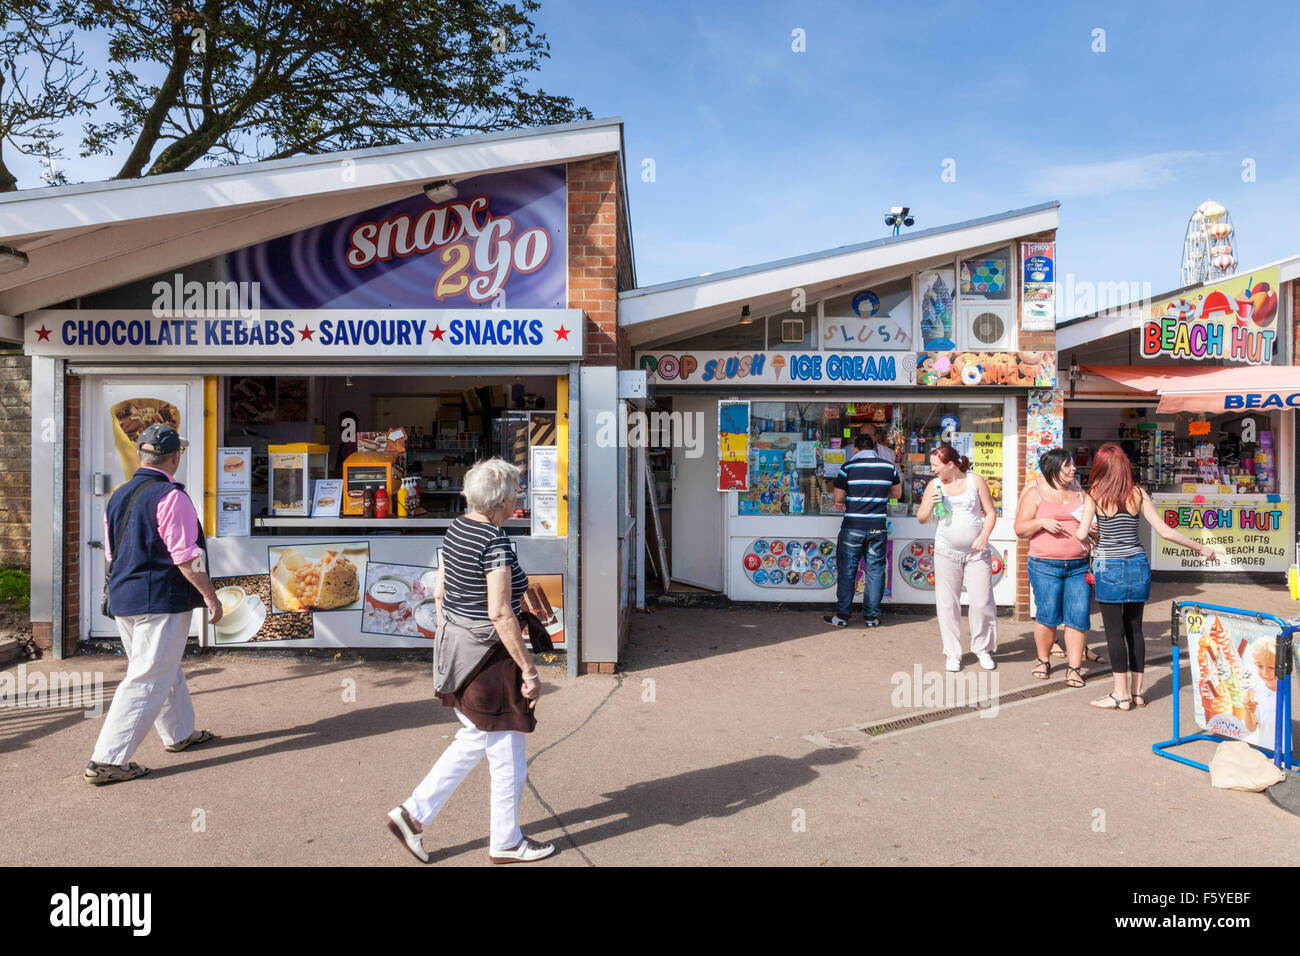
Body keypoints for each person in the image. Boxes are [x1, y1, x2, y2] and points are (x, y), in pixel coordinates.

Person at [387, 458, 555, 864]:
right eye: (516, 490)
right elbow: (500, 612)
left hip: (461, 650)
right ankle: (503, 841)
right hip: (490, 658)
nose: (520, 496)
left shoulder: (458, 528)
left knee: (479, 738)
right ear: (501, 500)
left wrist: (453, 633)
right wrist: (529, 671)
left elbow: (441, 588)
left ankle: (414, 815)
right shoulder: (495, 541)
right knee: (506, 750)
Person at [85, 424, 221, 785]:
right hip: (160, 598)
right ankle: (107, 761)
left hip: (126, 598)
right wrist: (210, 595)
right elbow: (186, 556)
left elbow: (111, 553)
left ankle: (179, 734)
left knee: (162, 667)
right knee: (148, 677)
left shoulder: (118, 495)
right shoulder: (170, 496)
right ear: (175, 457)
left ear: (142, 455)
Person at [1074, 442, 1216, 710]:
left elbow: (1081, 534)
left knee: (1115, 633)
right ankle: (1138, 693)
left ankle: (1120, 695)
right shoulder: (1138, 493)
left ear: (1101, 467)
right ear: (1124, 466)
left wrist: (1094, 533)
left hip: (1109, 567)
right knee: (1134, 630)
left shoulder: (1094, 494)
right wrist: (1201, 547)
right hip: (1138, 565)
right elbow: (1165, 531)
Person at [917, 444, 999, 672]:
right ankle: (953, 653)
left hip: (977, 553)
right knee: (947, 603)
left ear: (950, 464)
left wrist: (984, 535)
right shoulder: (934, 486)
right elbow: (922, 518)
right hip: (946, 551)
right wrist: (930, 504)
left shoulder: (975, 481)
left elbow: (991, 512)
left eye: (936, 466)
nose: (933, 470)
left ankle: (982, 648)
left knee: (982, 602)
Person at [1013, 448, 1090, 688]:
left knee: (1078, 616)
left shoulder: (1079, 490)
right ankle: (1043, 660)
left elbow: (1092, 520)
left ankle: (1074, 669)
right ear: (1053, 468)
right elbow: (1020, 528)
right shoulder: (1035, 492)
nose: (1073, 469)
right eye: (1067, 466)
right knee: (1047, 615)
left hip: (1079, 565)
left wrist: (1093, 530)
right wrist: (1041, 522)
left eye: (1073, 465)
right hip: (1045, 564)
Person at [823, 433, 901, 629]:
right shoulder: (888, 467)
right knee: (875, 571)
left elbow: (839, 499)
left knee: (848, 571)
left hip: (853, 527)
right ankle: (871, 618)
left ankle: (842, 617)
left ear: (855, 449)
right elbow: (897, 494)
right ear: (875, 448)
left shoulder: (847, 467)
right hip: (877, 528)